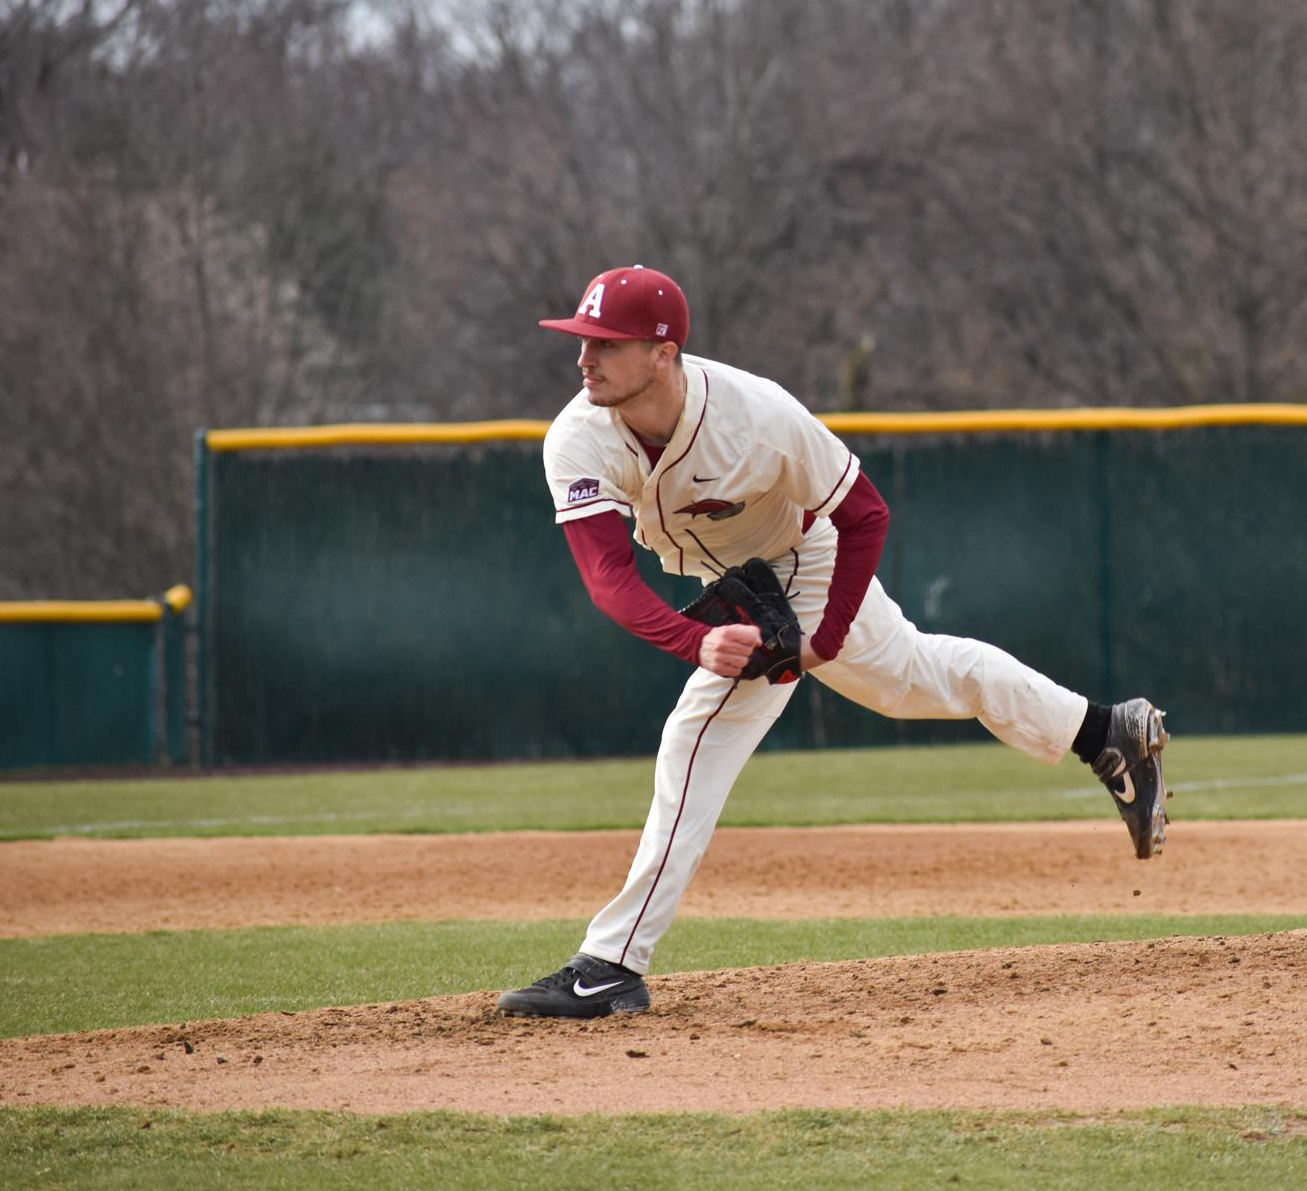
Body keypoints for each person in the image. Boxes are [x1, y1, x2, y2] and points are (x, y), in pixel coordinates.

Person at [496, 265, 1169, 1018]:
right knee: (914, 679)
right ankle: (1104, 728)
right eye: (581, 340)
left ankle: (612, 964)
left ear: (662, 353)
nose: (583, 357)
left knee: (705, 737)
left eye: (604, 342)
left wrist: (827, 635)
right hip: (729, 585)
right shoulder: (578, 435)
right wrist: (694, 640)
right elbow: (608, 578)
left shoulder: (756, 415)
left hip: (806, 556)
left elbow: (866, 512)